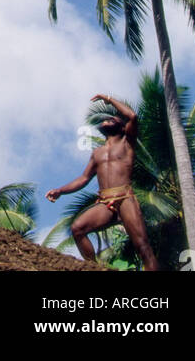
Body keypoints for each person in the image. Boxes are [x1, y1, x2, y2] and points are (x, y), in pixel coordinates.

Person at [46, 93, 160, 271]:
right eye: (106, 119)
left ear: (122, 127)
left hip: (125, 198)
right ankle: (95, 268)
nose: (107, 119)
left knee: (142, 246)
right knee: (77, 228)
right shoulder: (97, 153)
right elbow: (84, 178)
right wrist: (60, 191)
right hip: (105, 203)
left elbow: (132, 116)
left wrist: (108, 99)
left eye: (113, 118)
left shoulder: (127, 143)